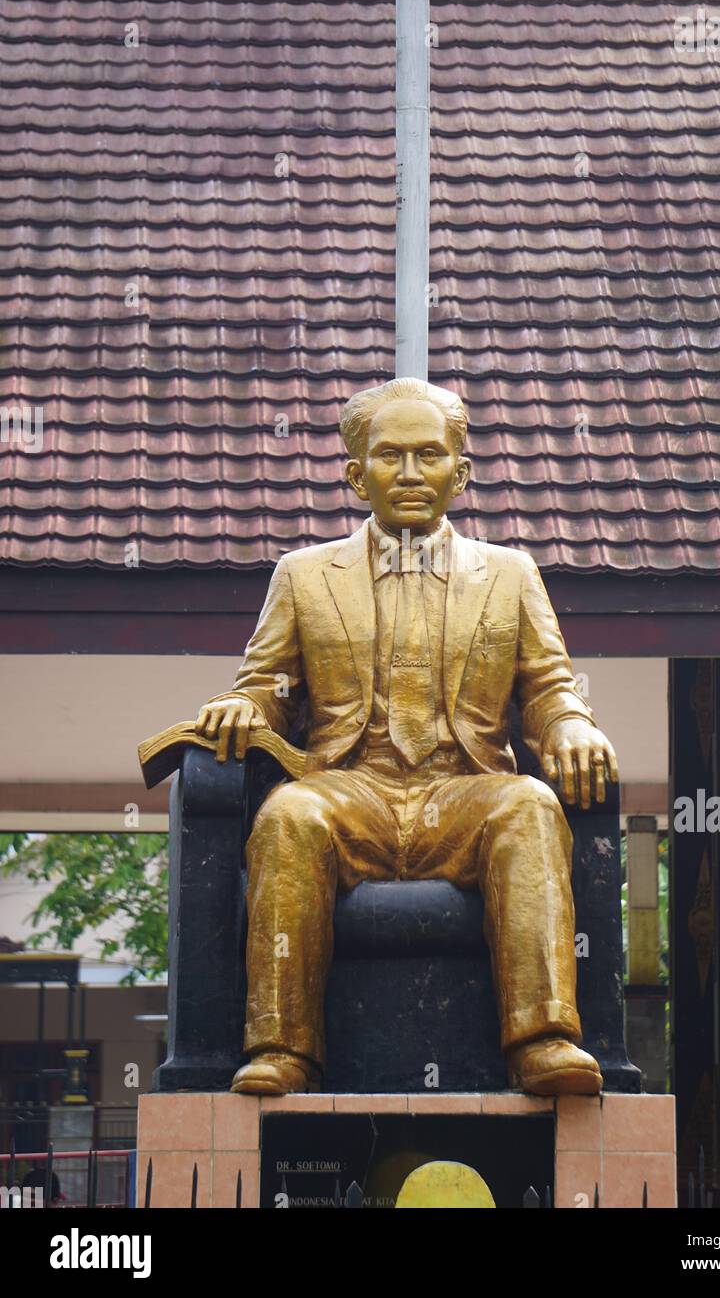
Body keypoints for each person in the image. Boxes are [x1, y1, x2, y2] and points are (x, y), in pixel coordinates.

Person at [195, 378, 618, 1096]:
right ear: (357, 474)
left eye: (430, 455)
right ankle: (281, 1049)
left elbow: (548, 687)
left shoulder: (511, 575)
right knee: (288, 816)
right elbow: (266, 684)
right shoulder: (301, 576)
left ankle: (543, 1040)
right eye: (391, 457)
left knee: (530, 806)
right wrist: (243, 707)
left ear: (462, 469)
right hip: (347, 792)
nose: (413, 473)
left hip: (463, 794)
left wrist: (573, 722)